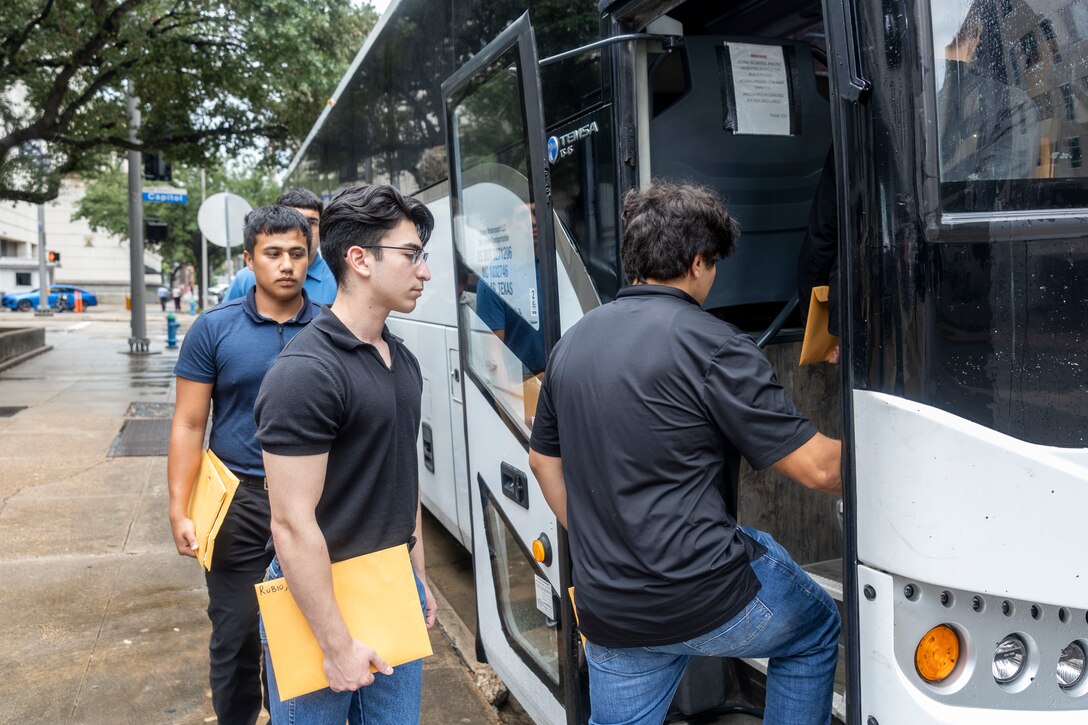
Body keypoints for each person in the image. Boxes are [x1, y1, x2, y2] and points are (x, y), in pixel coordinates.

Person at [529, 181, 843, 725]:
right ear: (698, 263)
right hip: (705, 596)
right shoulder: (715, 344)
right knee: (815, 630)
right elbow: (819, 469)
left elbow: (541, 461)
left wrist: (604, 544)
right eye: (714, 263)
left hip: (611, 607)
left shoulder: (571, 344)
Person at [253, 184, 438, 723]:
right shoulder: (306, 373)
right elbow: (290, 524)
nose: (423, 271)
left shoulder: (401, 359)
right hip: (315, 600)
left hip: (390, 587)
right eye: (411, 255)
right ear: (359, 259)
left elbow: (404, 481)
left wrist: (417, 578)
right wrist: (336, 645)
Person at [167, 205, 320, 725]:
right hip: (236, 501)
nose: (286, 265)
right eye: (272, 253)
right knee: (234, 637)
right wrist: (178, 508)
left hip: (314, 503)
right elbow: (189, 425)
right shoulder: (213, 330)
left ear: (310, 257)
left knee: (299, 636)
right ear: (249, 259)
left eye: (296, 254)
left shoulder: (331, 327)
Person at [225, 188, 339, 305]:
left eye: (312, 222)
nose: (304, 229)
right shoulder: (245, 279)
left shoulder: (339, 277)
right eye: (294, 220)